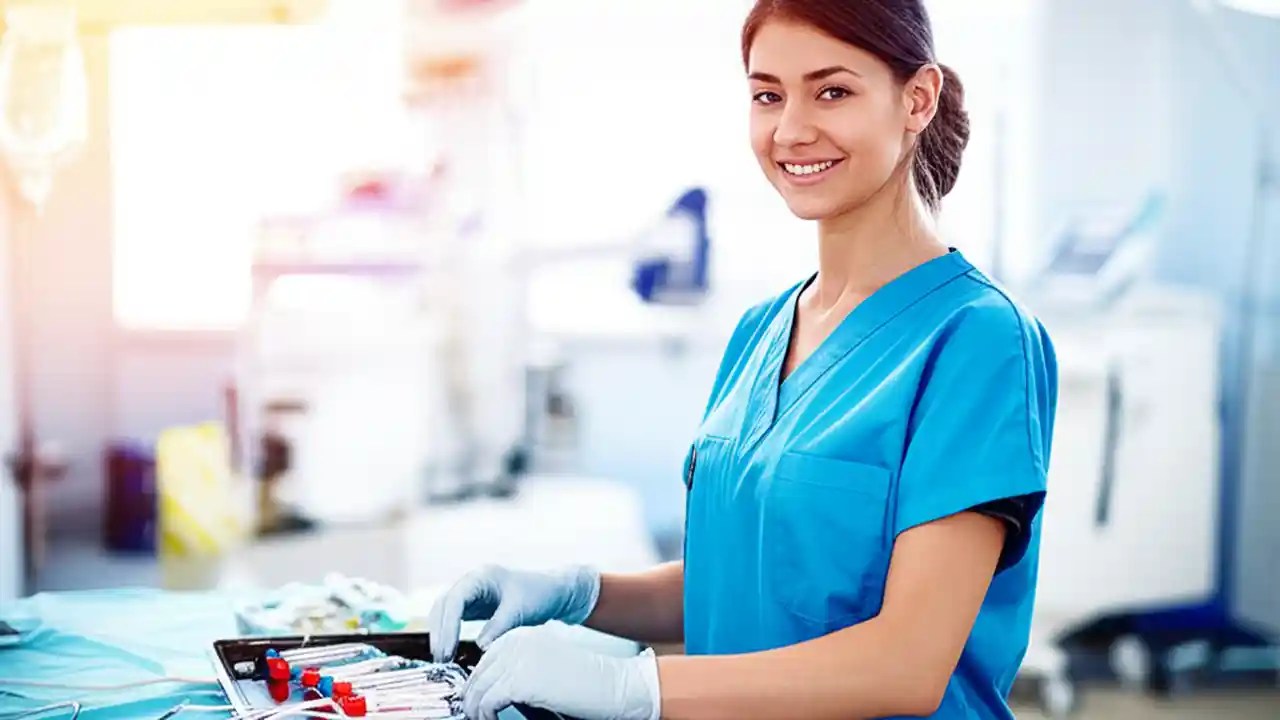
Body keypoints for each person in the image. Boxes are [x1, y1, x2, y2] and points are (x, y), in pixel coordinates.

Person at [428, 1, 1058, 718]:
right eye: (768, 95)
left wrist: (638, 689)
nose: (791, 129)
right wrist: (579, 593)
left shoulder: (977, 339)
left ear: (917, 100)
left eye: (833, 91)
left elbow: (906, 663)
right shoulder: (761, 330)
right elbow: (744, 586)